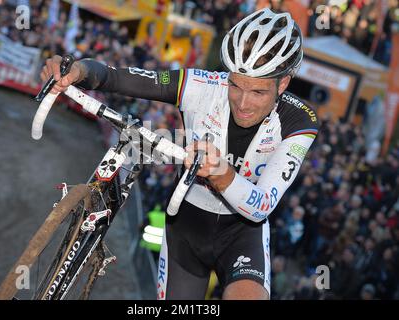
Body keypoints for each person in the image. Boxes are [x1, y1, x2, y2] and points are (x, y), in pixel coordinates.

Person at [40, 8, 319, 300]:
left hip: (242, 235)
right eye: (235, 85)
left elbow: (262, 205)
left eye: (258, 92)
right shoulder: (201, 86)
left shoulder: (300, 121)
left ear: (283, 83)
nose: (243, 103)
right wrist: (77, 70)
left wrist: (220, 173)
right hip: (185, 228)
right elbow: (116, 77)